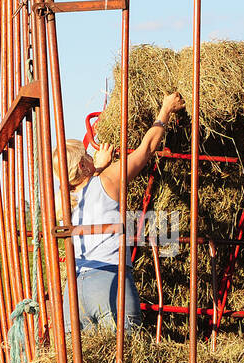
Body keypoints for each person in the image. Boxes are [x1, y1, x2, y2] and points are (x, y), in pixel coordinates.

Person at [64, 91, 184, 332]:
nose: (92, 156)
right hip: (108, 282)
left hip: (74, 293)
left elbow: (88, 186)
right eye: (88, 155)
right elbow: (147, 148)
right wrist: (165, 111)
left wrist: (96, 168)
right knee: (126, 355)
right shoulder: (108, 179)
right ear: (81, 165)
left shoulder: (64, 200)